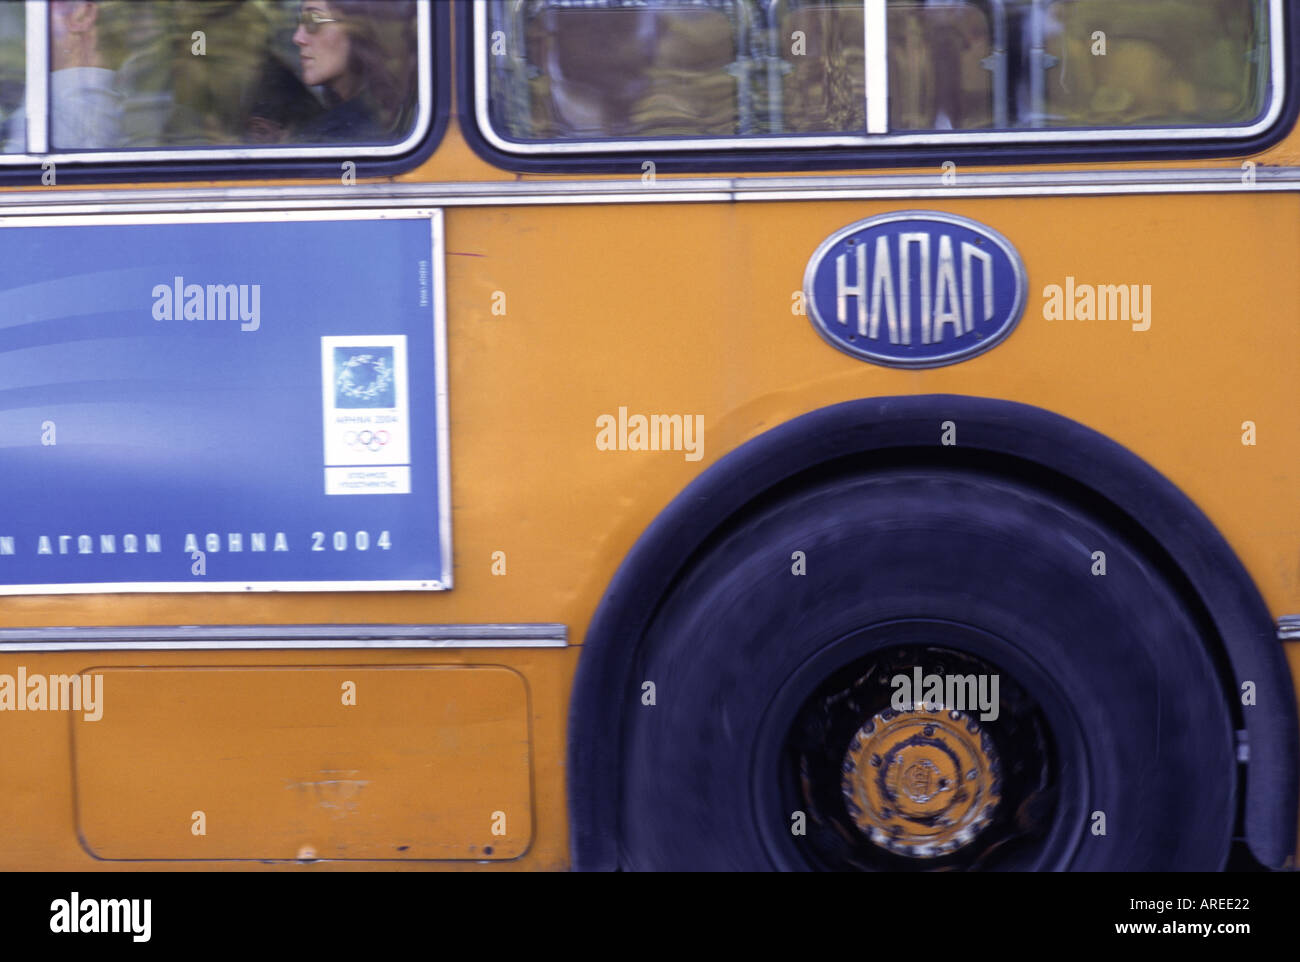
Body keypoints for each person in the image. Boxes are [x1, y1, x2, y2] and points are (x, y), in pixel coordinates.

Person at [5, 0, 123, 152]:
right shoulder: (57, 101)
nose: (26, 43)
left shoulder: (67, 109)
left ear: (84, 15)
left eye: (36, 19)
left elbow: (38, 174)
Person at [292, 0, 414, 144]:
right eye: (299, 20)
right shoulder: (384, 115)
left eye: (313, 20)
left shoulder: (345, 135)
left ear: (359, 31)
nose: (297, 38)